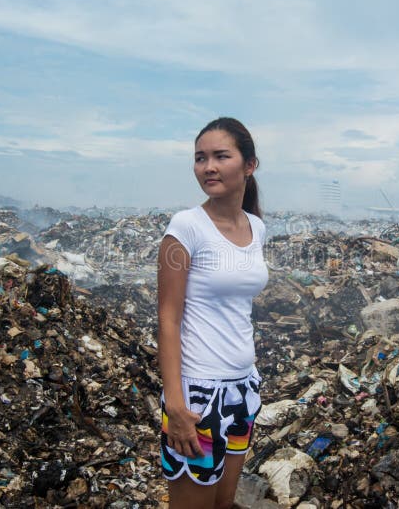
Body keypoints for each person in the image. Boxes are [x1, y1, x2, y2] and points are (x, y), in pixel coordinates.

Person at [157, 117, 269, 508]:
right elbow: (168, 319)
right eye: (201, 158)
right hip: (197, 396)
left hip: (242, 390)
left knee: (222, 504)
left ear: (249, 165)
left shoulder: (256, 227)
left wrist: (249, 386)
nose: (209, 167)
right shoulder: (186, 228)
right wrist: (175, 406)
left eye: (221, 156)